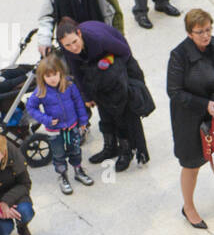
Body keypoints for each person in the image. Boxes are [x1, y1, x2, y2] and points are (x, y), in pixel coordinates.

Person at [167, 9, 214, 230]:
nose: (205, 36)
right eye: (200, 32)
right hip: (189, 118)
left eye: (208, 30)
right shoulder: (179, 55)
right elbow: (175, 91)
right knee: (192, 164)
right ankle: (188, 206)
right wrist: (204, 104)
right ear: (189, 33)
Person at [57, 17, 151, 170]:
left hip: (120, 68)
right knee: (105, 112)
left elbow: (125, 51)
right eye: (67, 45)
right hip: (97, 73)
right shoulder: (69, 50)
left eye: (74, 41)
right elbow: (76, 71)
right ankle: (110, 146)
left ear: (79, 33)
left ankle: (127, 150)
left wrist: (109, 60)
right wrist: (87, 97)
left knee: (123, 114)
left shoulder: (99, 39)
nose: (73, 47)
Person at [25, 55, 93, 194]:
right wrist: (45, 119)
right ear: (42, 77)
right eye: (48, 76)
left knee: (75, 149)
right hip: (54, 131)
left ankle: (78, 170)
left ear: (60, 72)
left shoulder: (69, 85)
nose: (53, 78)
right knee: (59, 154)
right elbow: (31, 108)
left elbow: (79, 103)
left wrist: (83, 121)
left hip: (72, 126)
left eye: (55, 74)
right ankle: (63, 176)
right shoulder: (40, 91)